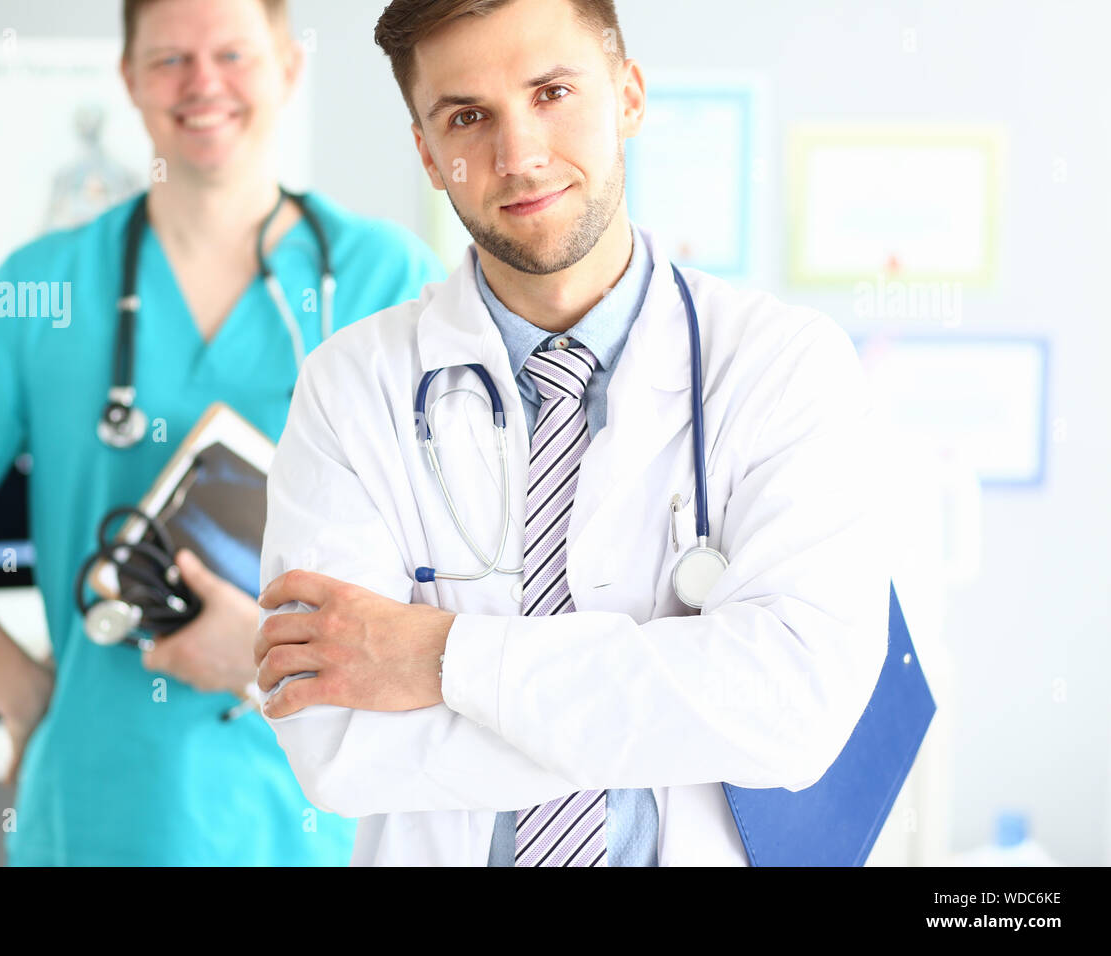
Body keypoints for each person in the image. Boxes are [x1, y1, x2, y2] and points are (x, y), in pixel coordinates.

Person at [252, 0, 891, 866]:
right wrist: (673, 707)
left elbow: (793, 711)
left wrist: (440, 657)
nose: (519, 157)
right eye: (467, 117)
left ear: (628, 95)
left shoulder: (785, 368)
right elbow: (338, 748)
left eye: (551, 91)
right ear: (428, 155)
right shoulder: (348, 389)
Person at [0, 0, 444, 866]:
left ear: (288, 67)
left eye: (233, 53)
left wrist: (268, 655)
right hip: (104, 804)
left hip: (326, 819)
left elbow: (466, 568)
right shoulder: (45, 285)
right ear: (127, 78)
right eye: (168, 59)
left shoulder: (391, 278)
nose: (203, 83)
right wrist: (22, 694)